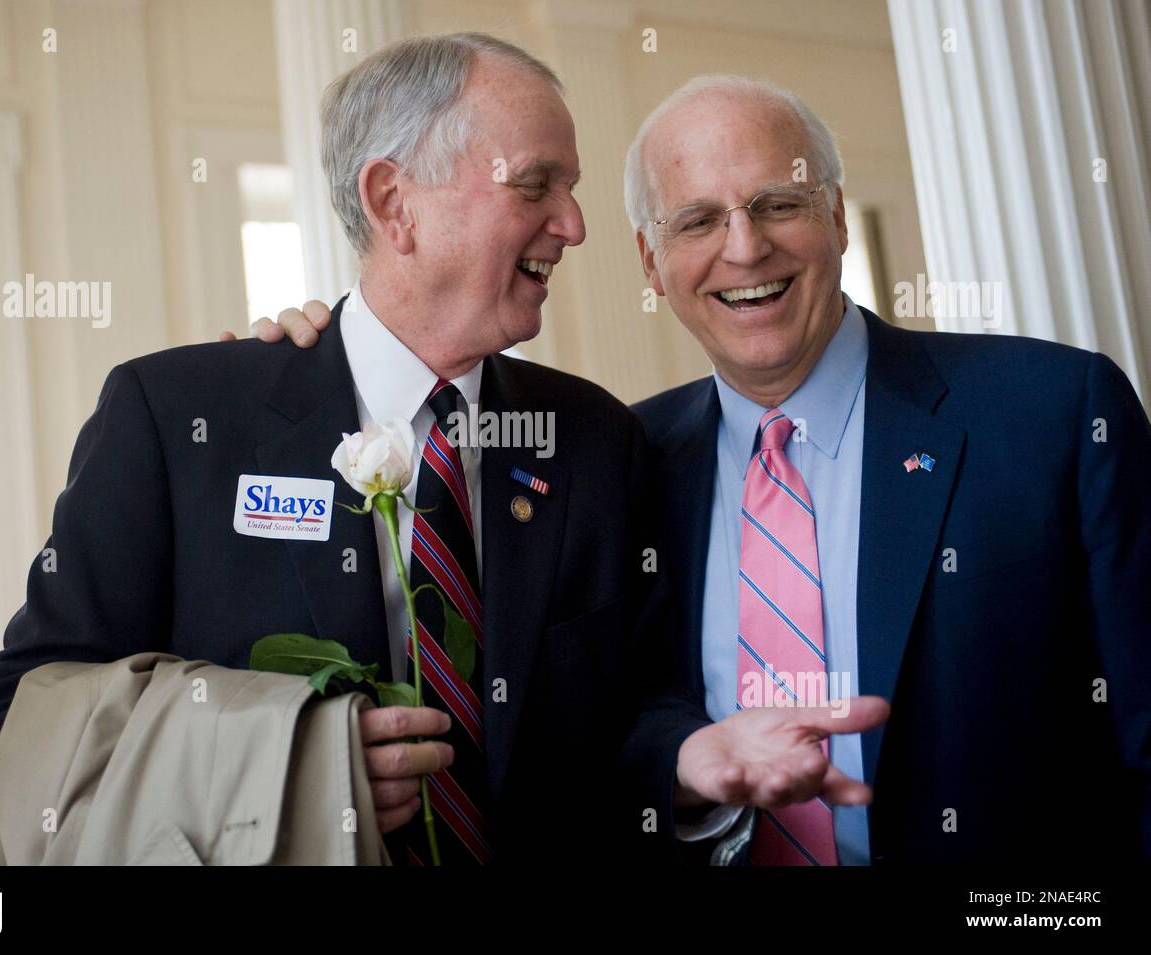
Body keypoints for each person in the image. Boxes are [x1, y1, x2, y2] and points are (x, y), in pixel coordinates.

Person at [0, 33, 881, 867]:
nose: (576, 224)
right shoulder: (176, 417)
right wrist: (298, 761)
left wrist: (689, 755)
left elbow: (633, 709)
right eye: (536, 186)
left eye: (572, 188)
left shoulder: (598, 439)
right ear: (393, 201)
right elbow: (11, 726)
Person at [257, 73, 1151, 865]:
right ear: (652, 260)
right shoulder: (614, 458)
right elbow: (606, 717)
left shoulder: (1055, 414)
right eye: (696, 221)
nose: (745, 248)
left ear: (837, 213)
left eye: (779, 203)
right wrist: (304, 369)